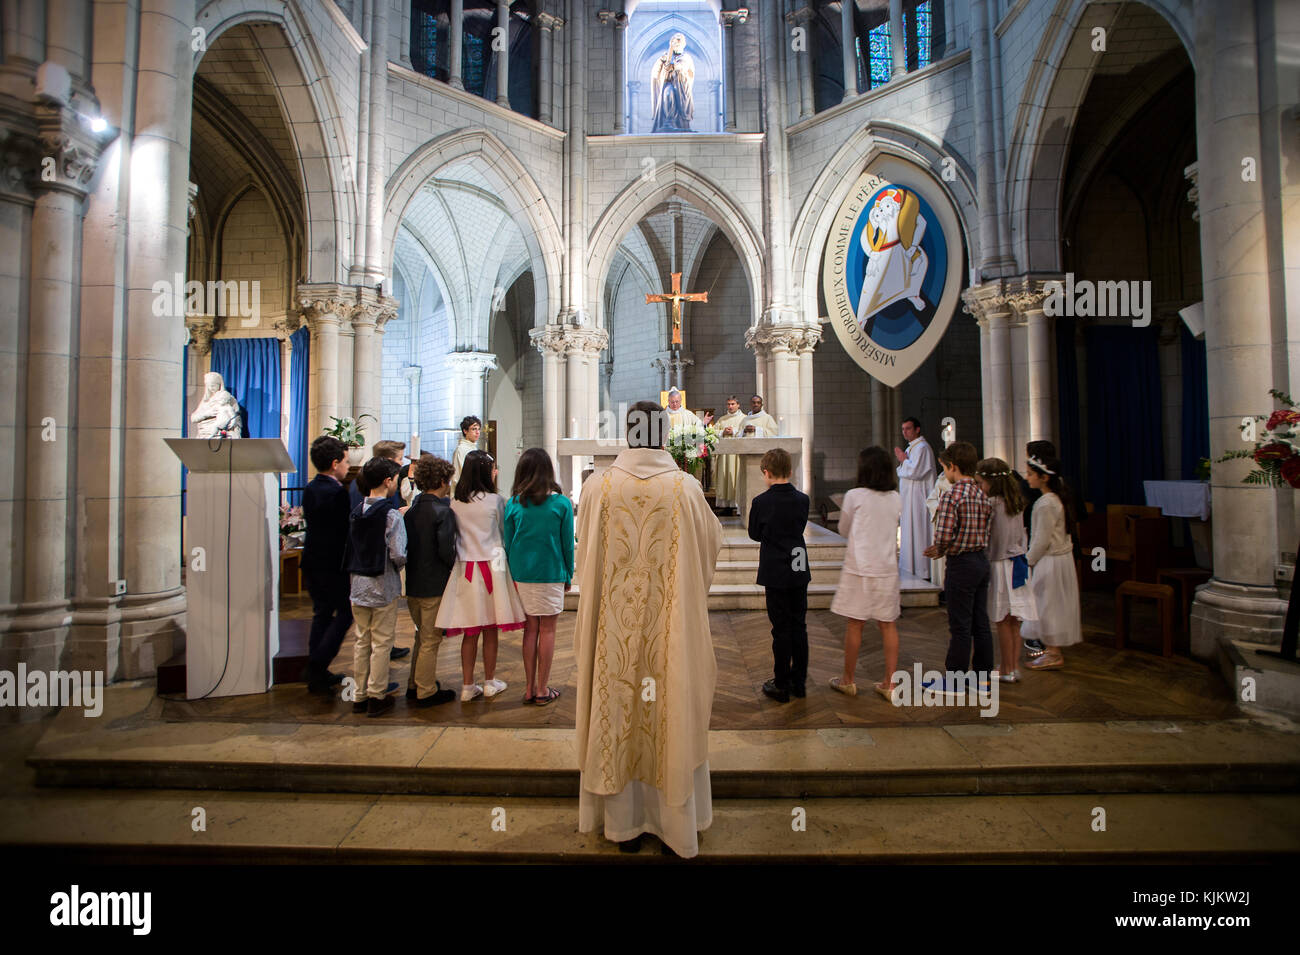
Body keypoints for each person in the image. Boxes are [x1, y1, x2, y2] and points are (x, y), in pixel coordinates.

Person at [574, 400, 723, 858]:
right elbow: (710, 547)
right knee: (670, 708)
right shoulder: (685, 487)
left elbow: (585, 558)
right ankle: (675, 827)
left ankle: (622, 826)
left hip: (611, 633)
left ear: (628, 432)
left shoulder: (599, 486)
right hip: (669, 631)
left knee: (617, 712)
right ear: (664, 435)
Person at [435, 450, 527, 701]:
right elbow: (504, 533)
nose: (496, 472)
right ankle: (489, 681)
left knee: (470, 629)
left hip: (465, 569)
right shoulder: (496, 501)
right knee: (490, 628)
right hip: (493, 568)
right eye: (493, 468)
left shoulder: (455, 502)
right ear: (486, 473)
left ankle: (467, 685)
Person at [828, 447, 902, 701]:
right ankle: (889, 683)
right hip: (887, 568)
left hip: (859, 567)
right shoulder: (895, 497)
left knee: (855, 624)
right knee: (888, 625)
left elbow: (843, 529)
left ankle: (848, 680)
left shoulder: (855, 495)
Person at [504, 448, 574, 706]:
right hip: (551, 572)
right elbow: (567, 543)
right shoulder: (561, 503)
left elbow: (508, 543)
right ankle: (543, 689)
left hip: (522, 573)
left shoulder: (513, 504)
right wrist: (569, 573)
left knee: (529, 630)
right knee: (548, 630)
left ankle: (528, 688)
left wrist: (511, 575)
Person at [923, 441, 993, 696]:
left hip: (961, 564)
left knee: (960, 625)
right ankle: (983, 679)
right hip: (980, 561)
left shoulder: (953, 495)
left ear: (953, 467)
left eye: (945, 469)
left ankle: (954, 680)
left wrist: (939, 548)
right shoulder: (981, 494)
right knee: (980, 622)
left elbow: (943, 534)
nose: (946, 474)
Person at [747, 447, 812, 704]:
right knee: (800, 626)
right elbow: (800, 527)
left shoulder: (761, 502)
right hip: (798, 566)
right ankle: (799, 683)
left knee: (781, 628)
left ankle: (781, 683)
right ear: (790, 471)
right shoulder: (803, 500)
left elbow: (754, 534)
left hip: (775, 568)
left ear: (767, 472)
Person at [345, 456, 407, 717]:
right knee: (382, 643)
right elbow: (398, 554)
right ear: (387, 481)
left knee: (362, 641)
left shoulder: (356, 511)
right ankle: (376, 694)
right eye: (395, 479)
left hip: (358, 584)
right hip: (382, 585)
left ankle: (359, 694)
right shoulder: (391, 514)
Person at [403, 454, 458, 707]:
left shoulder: (411, 511)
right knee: (431, 640)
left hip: (413, 584)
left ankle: (414, 684)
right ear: (442, 481)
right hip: (434, 584)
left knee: (420, 636)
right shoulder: (442, 512)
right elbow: (446, 550)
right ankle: (426, 691)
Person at [976, 457, 1037, 684]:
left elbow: (996, 541)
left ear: (991, 483)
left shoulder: (993, 505)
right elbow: (1022, 535)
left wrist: (986, 555)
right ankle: (1013, 666)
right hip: (1018, 563)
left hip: (1001, 564)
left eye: (981, 483)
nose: (980, 488)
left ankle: (1005, 668)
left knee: (1002, 620)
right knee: (1014, 621)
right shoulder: (1017, 502)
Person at [301, 436, 353, 695]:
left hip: (311, 561)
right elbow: (343, 533)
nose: (347, 467)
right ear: (335, 464)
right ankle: (317, 663)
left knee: (321, 614)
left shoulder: (310, 488)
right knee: (345, 614)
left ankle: (318, 674)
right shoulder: (336, 493)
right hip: (332, 565)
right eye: (345, 462)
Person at [1021, 453, 1083, 670]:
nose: (1026, 477)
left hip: (1051, 561)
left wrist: (1027, 560)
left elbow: (1041, 539)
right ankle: (1051, 650)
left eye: (1030, 474)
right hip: (1057, 559)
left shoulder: (1046, 503)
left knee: (1049, 605)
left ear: (1044, 477)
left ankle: (1054, 653)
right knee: (1048, 603)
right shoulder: (1054, 499)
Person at [895, 416, 936, 579]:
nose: (905, 432)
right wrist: (904, 461)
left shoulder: (922, 448)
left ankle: (922, 570)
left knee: (919, 532)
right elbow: (905, 471)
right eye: (903, 429)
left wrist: (903, 460)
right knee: (909, 532)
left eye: (908, 428)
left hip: (918, 499)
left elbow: (915, 472)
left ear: (917, 429)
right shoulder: (912, 448)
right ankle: (910, 569)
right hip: (909, 499)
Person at [650, 32, 696, 133]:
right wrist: (662, 66)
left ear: (683, 44)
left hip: (681, 87)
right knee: (668, 93)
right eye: (675, 42)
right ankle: (668, 122)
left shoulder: (686, 57)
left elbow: (684, 67)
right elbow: (656, 71)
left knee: (680, 104)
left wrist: (674, 66)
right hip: (669, 83)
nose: (677, 44)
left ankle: (682, 125)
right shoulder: (666, 56)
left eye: (679, 41)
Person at [712, 396, 746, 511]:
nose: (730, 406)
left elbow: (747, 432)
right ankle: (725, 505)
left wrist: (735, 431)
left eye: (732, 404)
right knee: (724, 478)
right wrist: (722, 431)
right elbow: (713, 432)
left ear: (738, 405)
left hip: (737, 456)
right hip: (724, 456)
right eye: (728, 404)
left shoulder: (745, 419)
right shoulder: (722, 419)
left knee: (735, 477)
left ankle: (737, 505)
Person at [450, 416, 481, 491]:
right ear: (465, 431)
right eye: (474, 429)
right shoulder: (461, 449)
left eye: (478, 429)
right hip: (463, 492)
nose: (477, 432)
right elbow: (457, 476)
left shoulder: (474, 448)